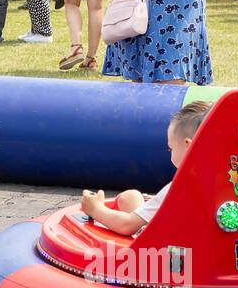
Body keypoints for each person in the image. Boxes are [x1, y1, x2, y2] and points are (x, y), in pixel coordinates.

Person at [79, 100, 210, 236]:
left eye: (170, 148)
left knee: (130, 199)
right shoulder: (228, 183)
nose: (170, 153)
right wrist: (160, 200)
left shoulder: (180, 187)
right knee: (131, 197)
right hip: (210, 247)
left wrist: (95, 209)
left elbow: (127, 225)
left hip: (173, 252)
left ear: (189, 146)